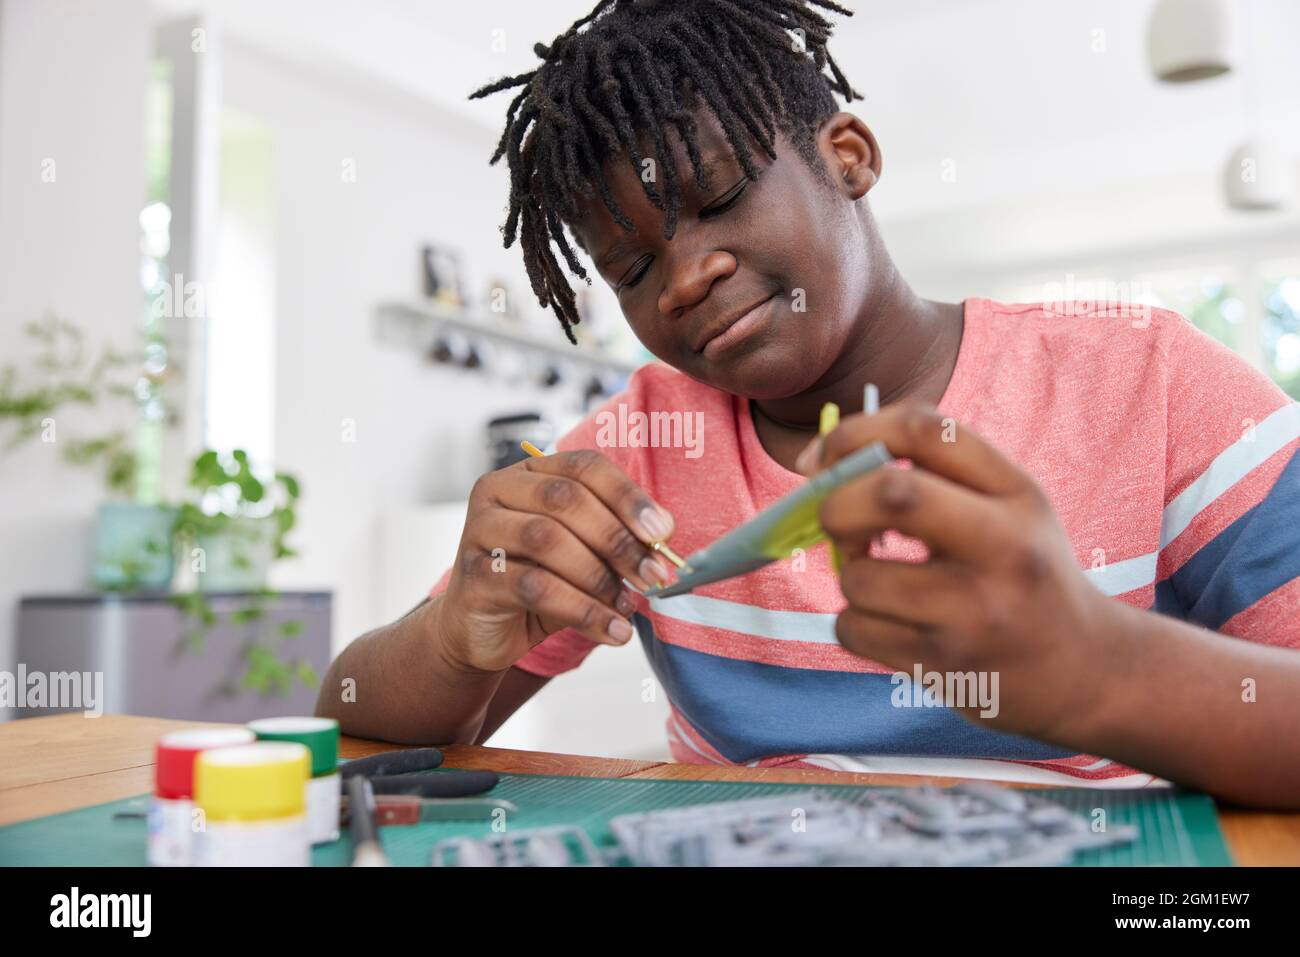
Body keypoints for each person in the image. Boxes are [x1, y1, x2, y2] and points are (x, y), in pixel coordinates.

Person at [318, 0, 1300, 807]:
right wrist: (457, 640)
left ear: (849, 156)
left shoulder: (1145, 382)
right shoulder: (640, 449)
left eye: (717, 198)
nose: (685, 279)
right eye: (631, 267)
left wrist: (1101, 669)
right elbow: (353, 720)